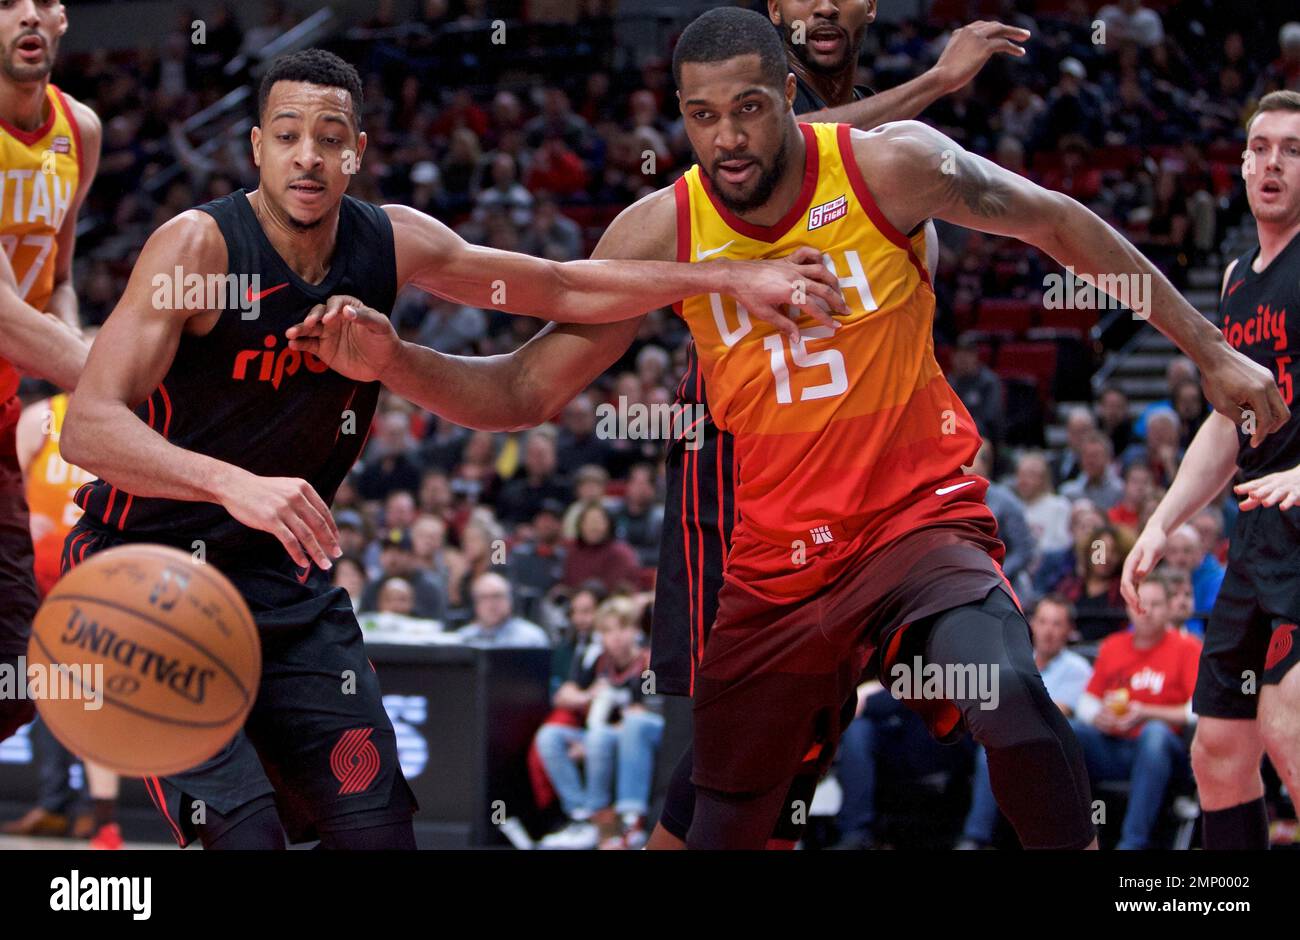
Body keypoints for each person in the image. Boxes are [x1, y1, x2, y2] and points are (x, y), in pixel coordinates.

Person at [291, 10, 1285, 850]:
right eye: (700, 115)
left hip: (913, 522)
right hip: (773, 570)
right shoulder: (658, 228)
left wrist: (1204, 348)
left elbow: (1061, 223)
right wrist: (397, 365)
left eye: (748, 108)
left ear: (787, 99)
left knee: (1010, 700)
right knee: (719, 815)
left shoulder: (890, 167)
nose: (726, 136)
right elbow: (521, 390)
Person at [59, 49, 825, 852]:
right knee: (245, 837)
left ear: (357, 151)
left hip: (285, 582)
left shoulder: (392, 242)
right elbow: (89, 425)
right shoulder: (198, 248)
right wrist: (232, 485)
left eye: (330, 137)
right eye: (287, 136)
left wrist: (729, 276)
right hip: (145, 574)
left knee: (379, 834)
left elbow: (561, 284)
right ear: (256, 147)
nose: (309, 156)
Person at [1123, 90, 1300, 850]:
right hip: (1259, 541)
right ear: (1240, 164)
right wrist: (1163, 520)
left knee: (1288, 721)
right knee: (1219, 751)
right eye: (1261, 147)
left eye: (1294, 149)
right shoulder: (1235, 281)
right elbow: (1230, 422)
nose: (1273, 162)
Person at [0, 0, 97, 746]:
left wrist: (79, 352)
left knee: (10, 686)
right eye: (5, 2)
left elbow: (57, 278)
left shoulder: (79, 131)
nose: (26, 13)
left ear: (62, 18)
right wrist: (115, 378)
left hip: (3, 415)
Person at [1071, 577, 1200, 849]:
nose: (1148, 611)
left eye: (1156, 604)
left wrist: (1147, 713)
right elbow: (1086, 702)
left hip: (1165, 753)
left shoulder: (1188, 648)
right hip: (1113, 744)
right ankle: (1066, 839)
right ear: (1130, 607)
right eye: (1141, 604)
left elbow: (1197, 710)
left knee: (1154, 734)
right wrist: (1097, 717)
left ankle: (1132, 843)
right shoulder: (1113, 645)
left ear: (1168, 608)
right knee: (1069, 731)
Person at [957, 594, 1092, 849]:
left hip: (1049, 746)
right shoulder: (1010, 657)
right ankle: (972, 838)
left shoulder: (1078, 668)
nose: (1048, 631)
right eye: (1042, 622)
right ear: (1032, 625)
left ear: (1069, 631)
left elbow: (1058, 712)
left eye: (1056, 624)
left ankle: (978, 837)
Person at [535, 596, 661, 850]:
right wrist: (588, 695)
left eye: (622, 628)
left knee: (603, 736)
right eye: (608, 630)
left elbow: (644, 713)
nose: (616, 637)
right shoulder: (598, 661)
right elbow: (563, 695)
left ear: (635, 630)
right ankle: (580, 815)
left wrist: (595, 738)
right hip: (596, 735)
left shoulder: (647, 663)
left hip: (639, 734)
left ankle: (626, 821)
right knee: (549, 736)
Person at [456, 572, 549, 648]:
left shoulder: (532, 638)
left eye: (497, 596)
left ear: (510, 599)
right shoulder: (462, 639)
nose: (491, 604)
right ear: (475, 604)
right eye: (483, 597)